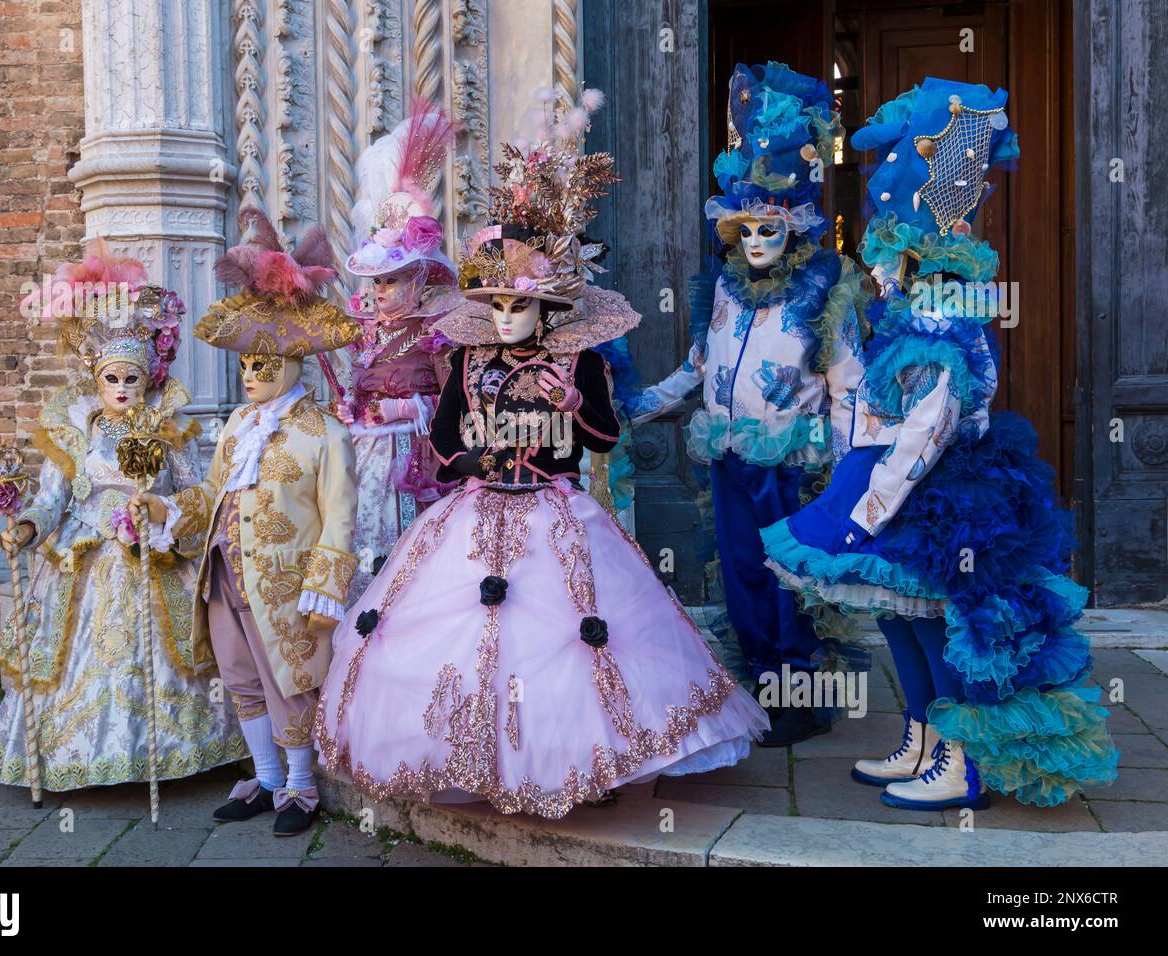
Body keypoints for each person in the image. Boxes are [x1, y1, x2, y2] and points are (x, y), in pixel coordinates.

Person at [315, 89, 770, 819]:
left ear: (546, 306)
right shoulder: (466, 361)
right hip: (475, 516)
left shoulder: (578, 360)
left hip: (555, 514)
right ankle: (474, 761)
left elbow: (602, 436)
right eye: (493, 306)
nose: (504, 319)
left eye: (517, 305)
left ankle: (587, 765)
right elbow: (445, 438)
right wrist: (478, 462)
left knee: (575, 640)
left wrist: (570, 409)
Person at [762, 79, 1118, 810]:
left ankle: (962, 762)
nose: (878, 272)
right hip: (891, 490)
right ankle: (922, 737)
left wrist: (869, 506)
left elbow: (926, 436)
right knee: (897, 615)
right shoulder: (907, 322)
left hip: (937, 502)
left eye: (890, 259)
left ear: (927, 265)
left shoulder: (944, 332)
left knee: (937, 625)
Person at [632, 63, 871, 746]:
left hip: (793, 461)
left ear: (793, 229)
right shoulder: (724, 293)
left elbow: (848, 384)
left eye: (772, 228)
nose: (759, 240)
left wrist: (856, 474)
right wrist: (636, 406)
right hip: (731, 454)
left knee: (791, 578)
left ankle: (800, 690)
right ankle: (767, 681)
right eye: (747, 229)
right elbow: (696, 370)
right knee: (741, 573)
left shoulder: (824, 293)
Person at [0, 244, 247, 790]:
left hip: (153, 548)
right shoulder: (78, 433)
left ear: (147, 380)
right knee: (75, 653)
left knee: (161, 649)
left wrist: (162, 512)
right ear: (98, 383)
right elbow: (53, 497)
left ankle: (175, 753)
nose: (123, 389)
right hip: (84, 552)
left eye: (131, 379)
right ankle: (72, 755)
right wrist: (27, 527)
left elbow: (196, 492)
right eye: (113, 380)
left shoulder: (169, 430)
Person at [131, 209, 361, 836]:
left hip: (286, 582)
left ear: (295, 363)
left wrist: (325, 587)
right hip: (224, 574)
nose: (253, 375)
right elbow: (211, 491)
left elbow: (342, 520)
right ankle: (264, 777)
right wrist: (167, 512)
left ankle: (302, 785)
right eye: (247, 366)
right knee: (241, 679)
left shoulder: (326, 433)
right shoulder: (236, 425)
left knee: (289, 680)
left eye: (266, 365)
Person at [338, 98, 464, 600]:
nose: (381, 291)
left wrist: (413, 406)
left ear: (416, 276)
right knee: (366, 551)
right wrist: (350, 408)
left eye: (392, 280)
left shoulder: (437, 328)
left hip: (419, 459)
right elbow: (357, 390)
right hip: (366, 462)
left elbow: (460, 401)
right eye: (377, 281)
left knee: (418, 562)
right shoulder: (364, 330)